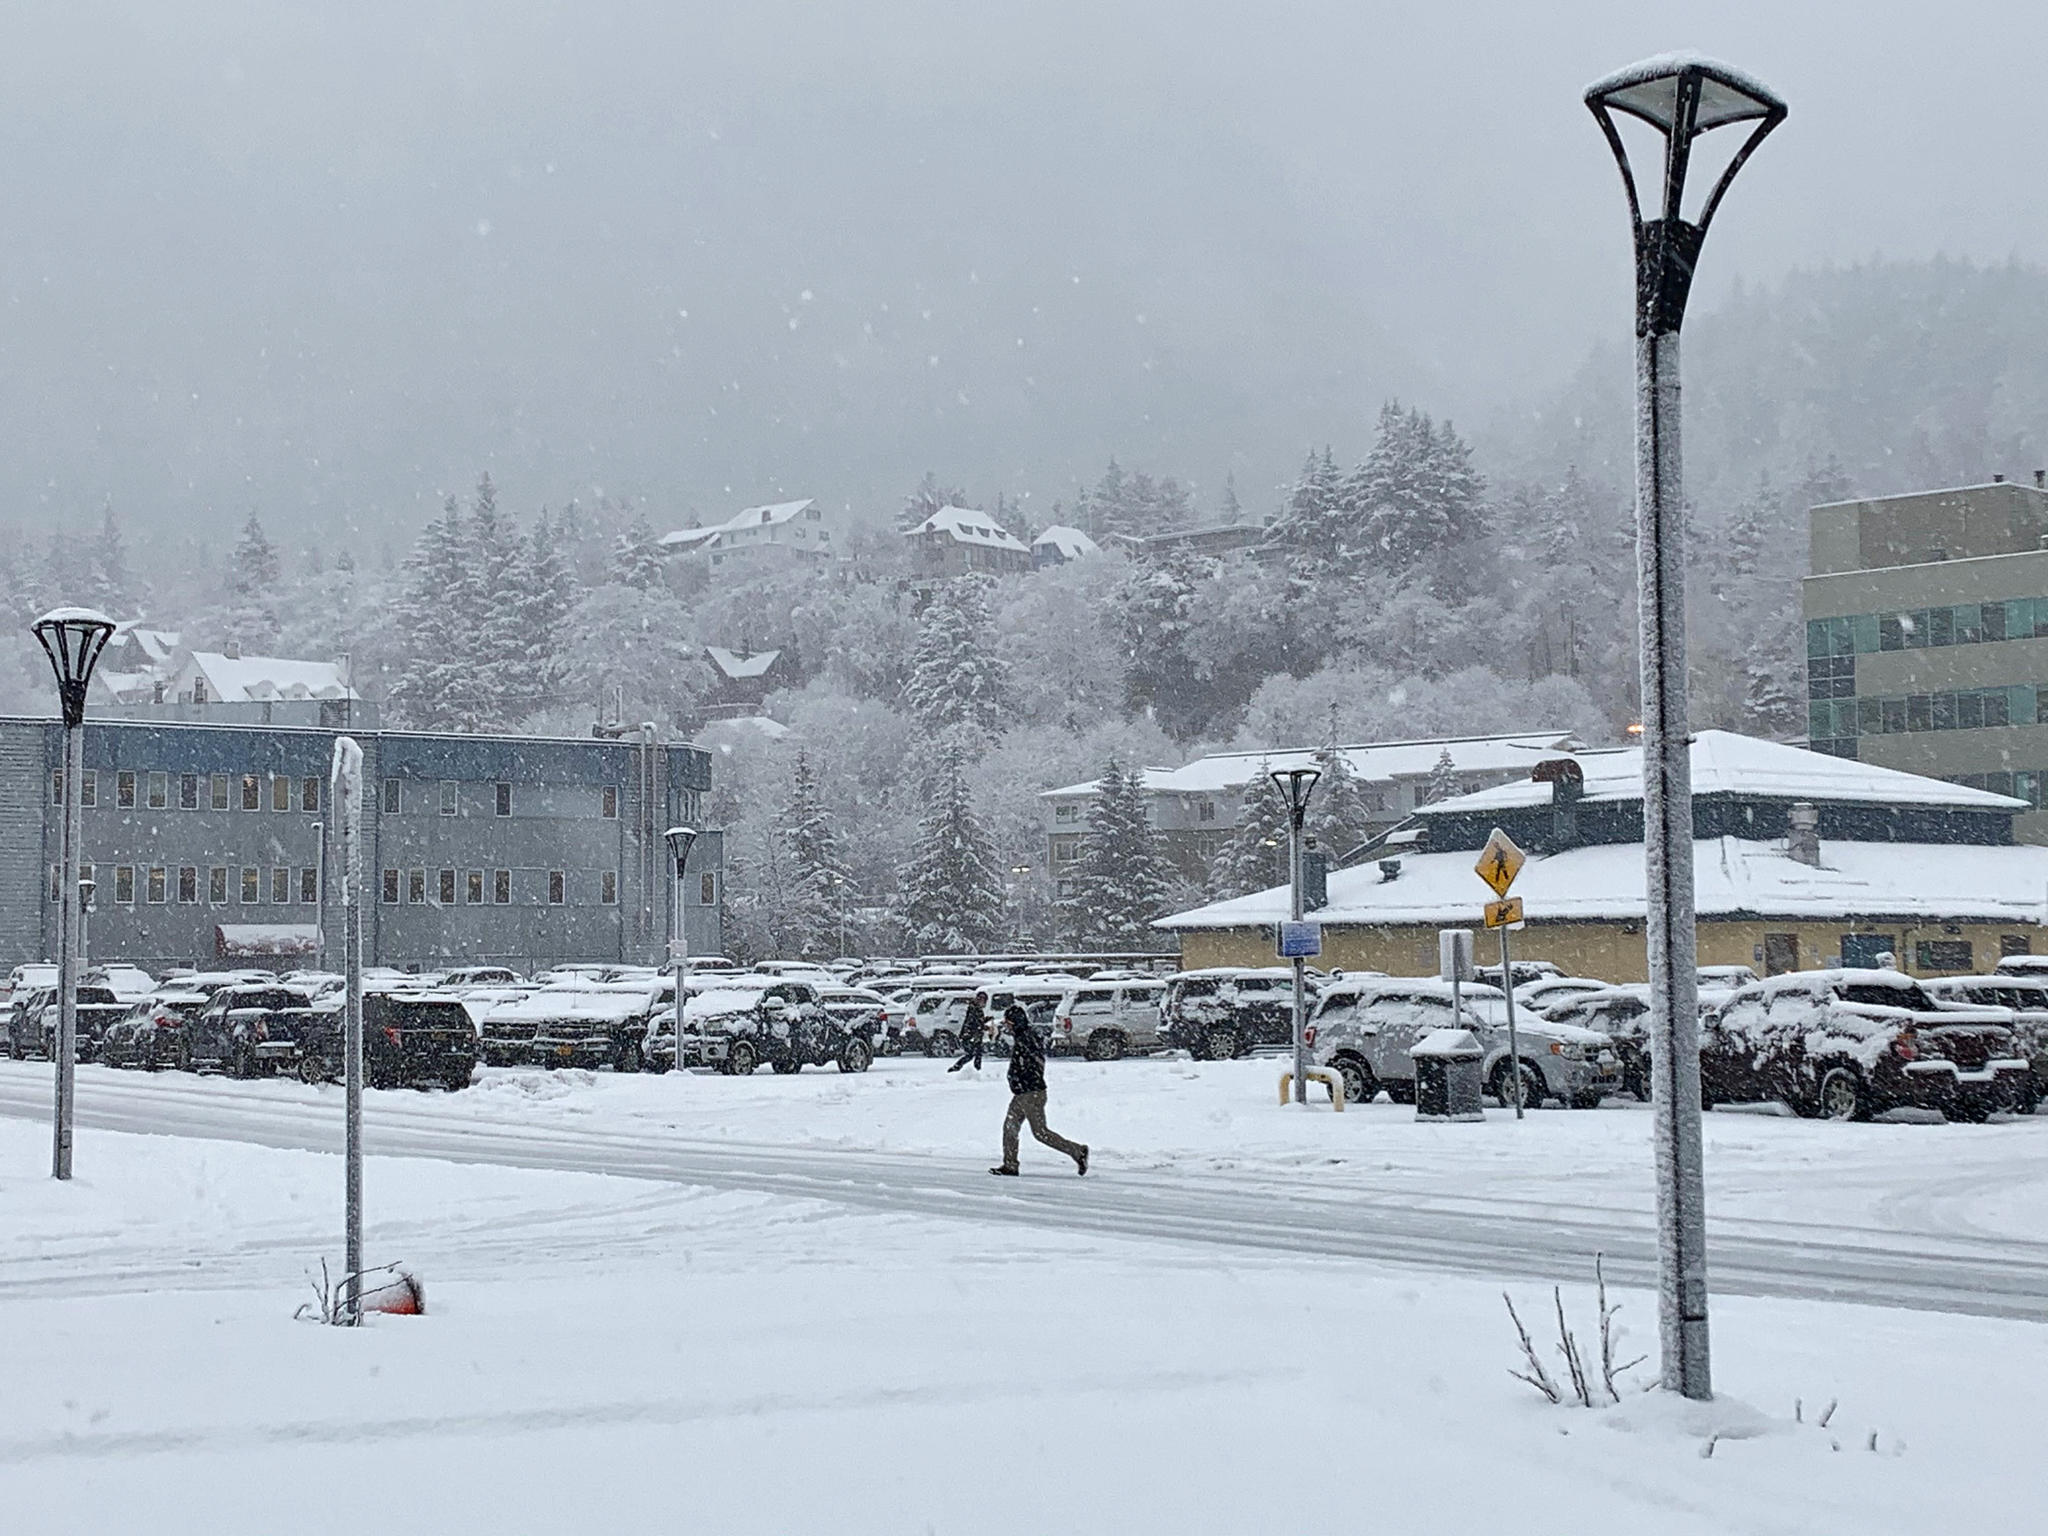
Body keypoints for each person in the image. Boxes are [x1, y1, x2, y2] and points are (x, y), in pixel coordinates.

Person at [990, 1001, 1087, 1177]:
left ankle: (1077, 1151)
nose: (1007, 1027)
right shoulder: (1024, 1037)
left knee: (1040, 1133)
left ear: (1016, 1022)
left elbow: (1032, 1066)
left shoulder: (1027, 1039)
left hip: (1030, 1093)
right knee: (1010, 1127)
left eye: (1009, 1023)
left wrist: (1020, 1082)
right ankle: (1010, 1164)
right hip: (1023, 1093)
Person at [948, 990, 989, 1073]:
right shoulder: (974, 1009)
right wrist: (982, 1026)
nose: (984, 1003)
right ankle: (959, 1068)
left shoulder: (976, 1008)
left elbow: (977, 1021)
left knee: (976, 1053)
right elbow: (973, 1022)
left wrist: (985, 1020)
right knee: (972, 1054)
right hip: (970, 1036)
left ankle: (975, 1070)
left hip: (974, 1035)